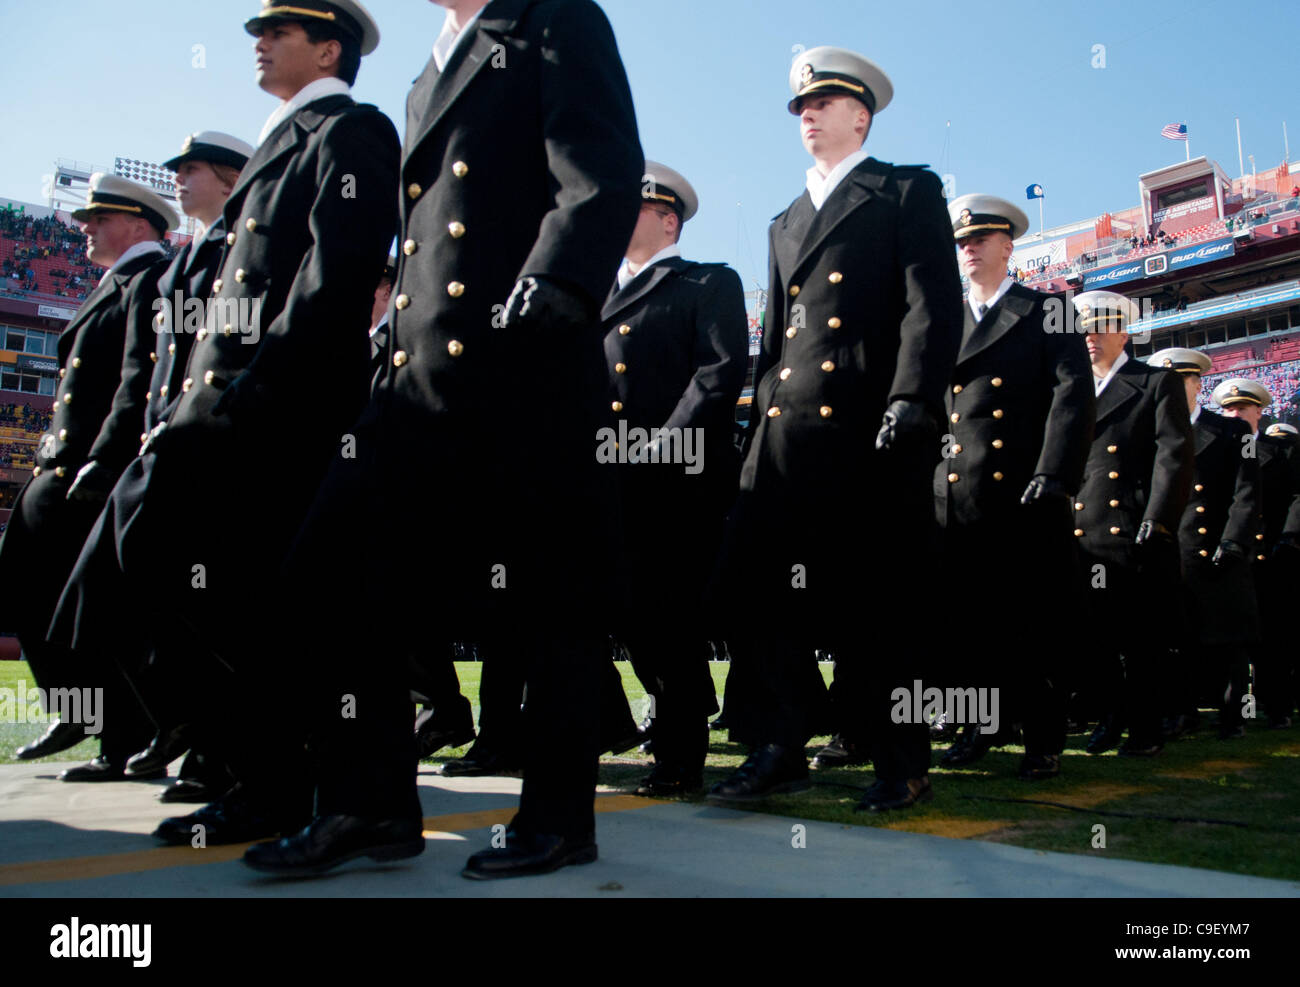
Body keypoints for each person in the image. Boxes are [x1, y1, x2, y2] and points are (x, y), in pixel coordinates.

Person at [241, 0, 643, 879]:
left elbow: (602, 167)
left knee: (551, 602)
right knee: (331, 573)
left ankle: (559, 816)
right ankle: (371, 802)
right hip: (417, 378)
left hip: (523, 354)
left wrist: (562, 282)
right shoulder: (428, 71)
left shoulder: (554, 20)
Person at [66, 0, 399, 843]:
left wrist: (255, 389)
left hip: (279, 413)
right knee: (158, 572)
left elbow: (335, 278)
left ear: (329, 48)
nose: (258, 42)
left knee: (255, 599)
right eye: (258, 32)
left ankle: (281, 782)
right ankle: (257, 768)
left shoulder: (350, 129)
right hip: (221, 409)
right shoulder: (282, 141)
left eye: (277, 32)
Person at [706, 46, 962, 812]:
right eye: (800, 107)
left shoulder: (905, 190)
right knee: (755, 596)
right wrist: (753, 433)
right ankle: (781, 742)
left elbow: (931, 303)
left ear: (862, 113)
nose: (807, 114)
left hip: (867, 433)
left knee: (879, 606)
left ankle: (900, 758)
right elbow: (776, 337)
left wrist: (913, 397)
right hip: (785, 444)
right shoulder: (785, 219)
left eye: (823, 103)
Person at [50, 132, 253, 802]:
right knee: (101, 591)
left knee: (192, 602)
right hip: (162, 443)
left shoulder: (242, 244)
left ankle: (212, 743)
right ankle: (173, 725)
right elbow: (152, 370)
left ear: (228, 179)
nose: (180, 181)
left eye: (191, 170)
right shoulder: (180, 260)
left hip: (211, 445)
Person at [1, 174, 176, 778]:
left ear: (138, 224)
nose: (84, 229)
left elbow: (139, 384)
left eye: (98, 219)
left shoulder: (150, 279)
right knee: (32, 582)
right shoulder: (118, 281)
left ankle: (122, 732)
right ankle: (86, 712)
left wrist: (104, 463)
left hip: (96, 464)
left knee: (95, 605)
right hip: (65, 460)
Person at [935, 194, 1094, 780]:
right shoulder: (945, 318)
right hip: (955, 494)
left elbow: (1072, 395)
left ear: (1009, 245)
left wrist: (1055, 472)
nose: (969, 249)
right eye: (962, 243)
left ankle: (1042, 738)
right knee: (965, 626)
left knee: (1030, 624)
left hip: (1022, 492)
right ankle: (978, 727)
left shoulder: (1048, 310)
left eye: (980, 239)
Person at [601, 160, 748, 796]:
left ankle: (681, 749)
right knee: (627, 615)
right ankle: (677, 714)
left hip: (675, 480)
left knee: (669, 614)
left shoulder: (706, 281)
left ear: (668, 221)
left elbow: (718, 372)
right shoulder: (594, 296)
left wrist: (662, 446)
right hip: (608, 479)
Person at [1072, 300, 1192, 757]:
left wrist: (1158, 520)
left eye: (1100, 328)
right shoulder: (1072, 387)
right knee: (1095, 641)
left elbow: (1174, 456)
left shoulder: (1153, 382)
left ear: (1124, 334)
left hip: (1131, 529)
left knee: (1140, 642)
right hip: (1083, 531)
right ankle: (1110, 718)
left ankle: (1145, 728)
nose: (1090, 337)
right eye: (1083, 329)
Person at [1157, 369, 1260, 740]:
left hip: (1217, 548)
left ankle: (1235, 714)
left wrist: (1234, 541)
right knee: (1176, 640)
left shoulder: (1235, 432)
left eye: (1180, 382)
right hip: (1172, 549)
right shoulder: (1153, 429)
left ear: (1197, 385)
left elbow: (1246, 492)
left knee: (1228, 640)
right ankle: (1182, 713)